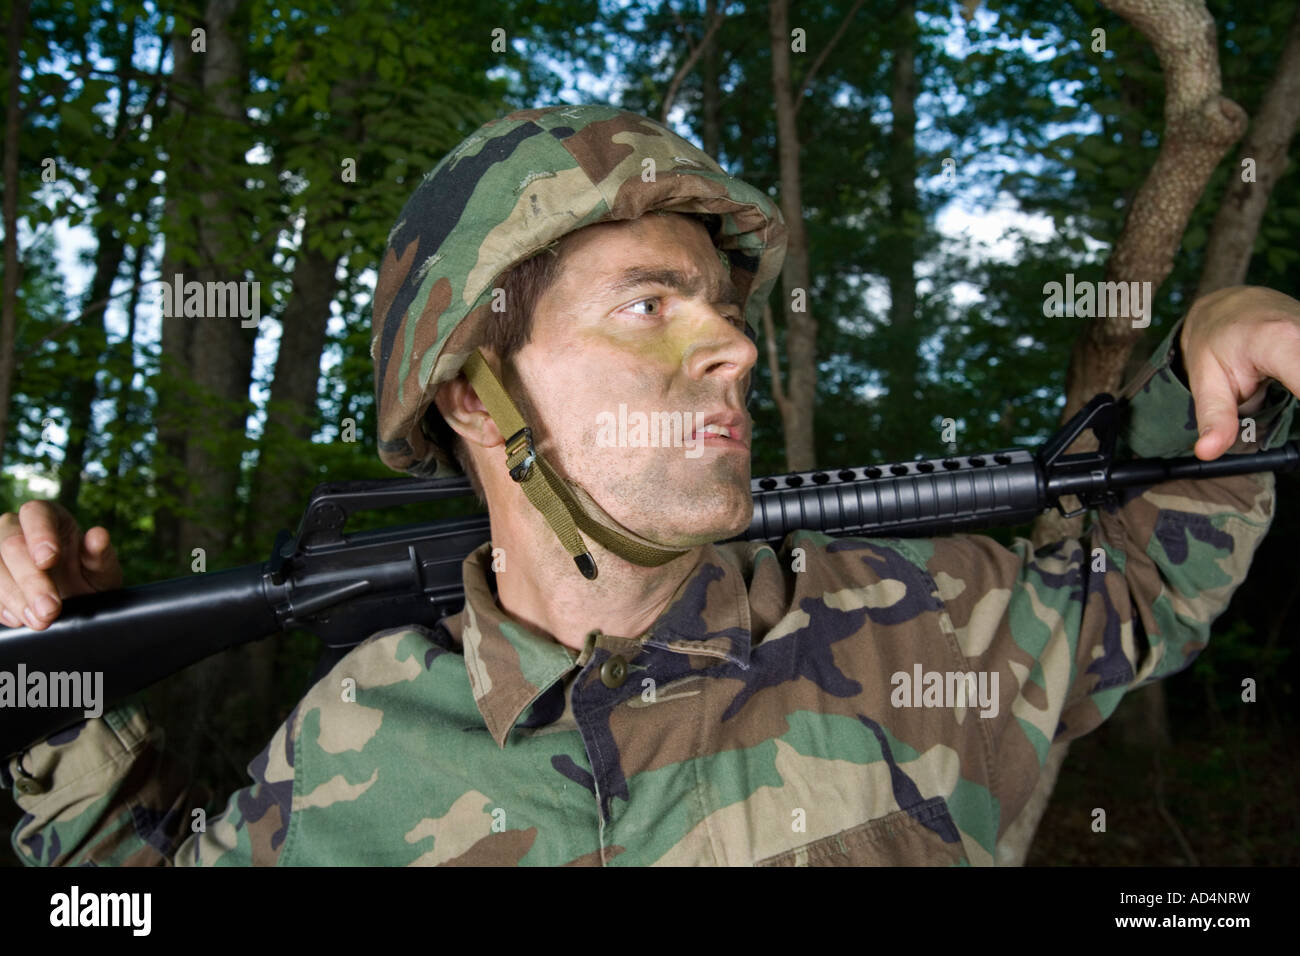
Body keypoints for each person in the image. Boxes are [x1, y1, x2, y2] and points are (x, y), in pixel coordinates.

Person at [3, 104, 1298, 866]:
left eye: (722, 307)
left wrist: (1226, 358)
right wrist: (56, 683)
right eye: (646, 304)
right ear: (472, 392)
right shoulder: (356, 743)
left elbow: (1138, 581)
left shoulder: (925, 627)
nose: (731, 342)